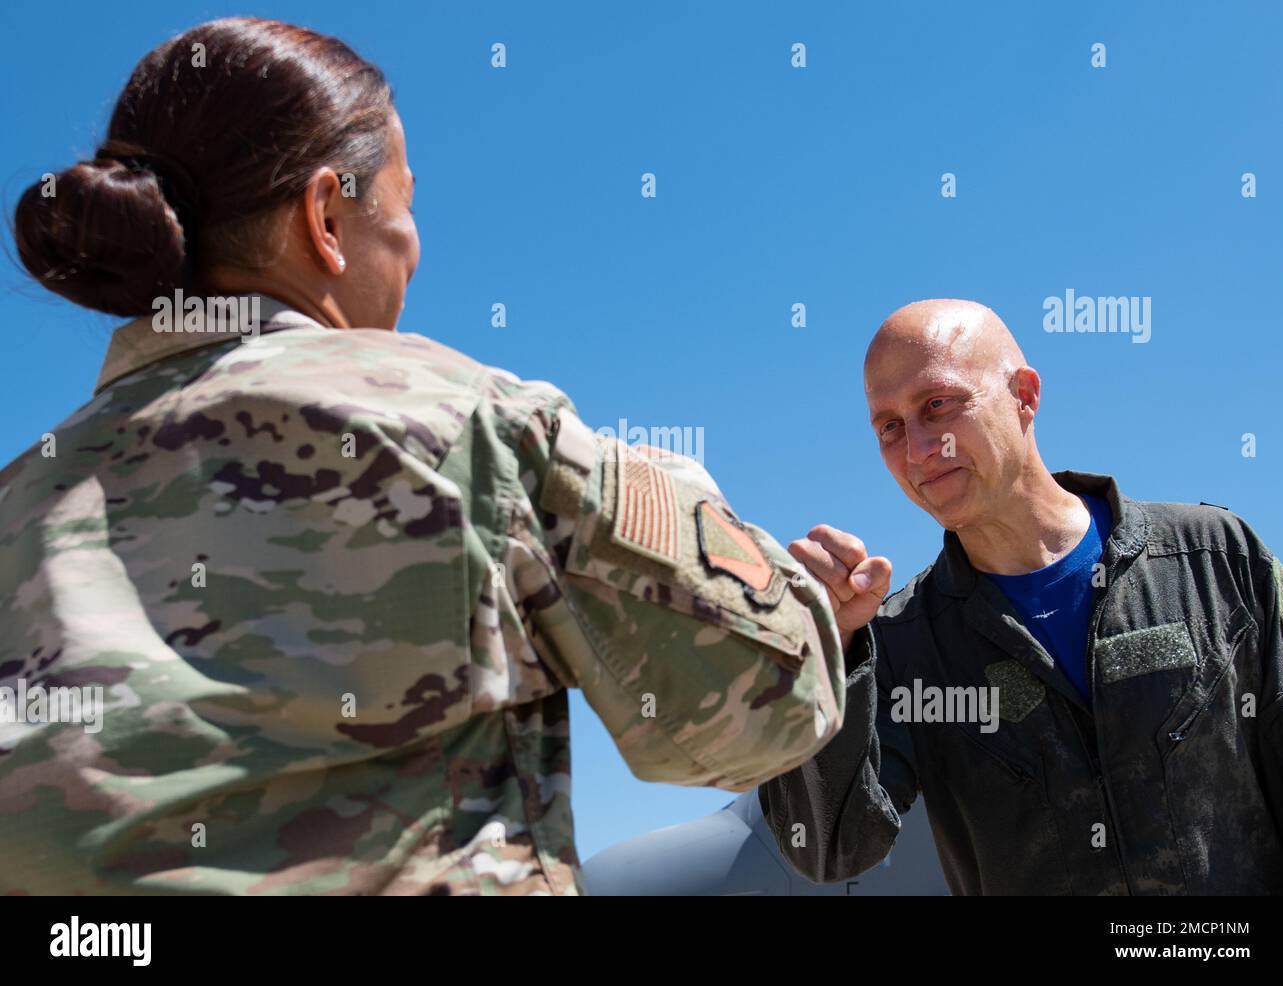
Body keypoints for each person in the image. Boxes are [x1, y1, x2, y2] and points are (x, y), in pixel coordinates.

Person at [0, 17, 845, 895]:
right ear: (326, 217)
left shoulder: (18, 498)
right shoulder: (465, 422)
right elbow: (774, 705)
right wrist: (671, 493)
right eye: (404, 204)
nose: (413, 248)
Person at [761, 298, 1283, 894]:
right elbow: (830, 850)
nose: (917, 450)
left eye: (937, 404)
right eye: (889, 426)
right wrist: (824, 655)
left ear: (1024, 394)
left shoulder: (1216, 557)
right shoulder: (898, 645)